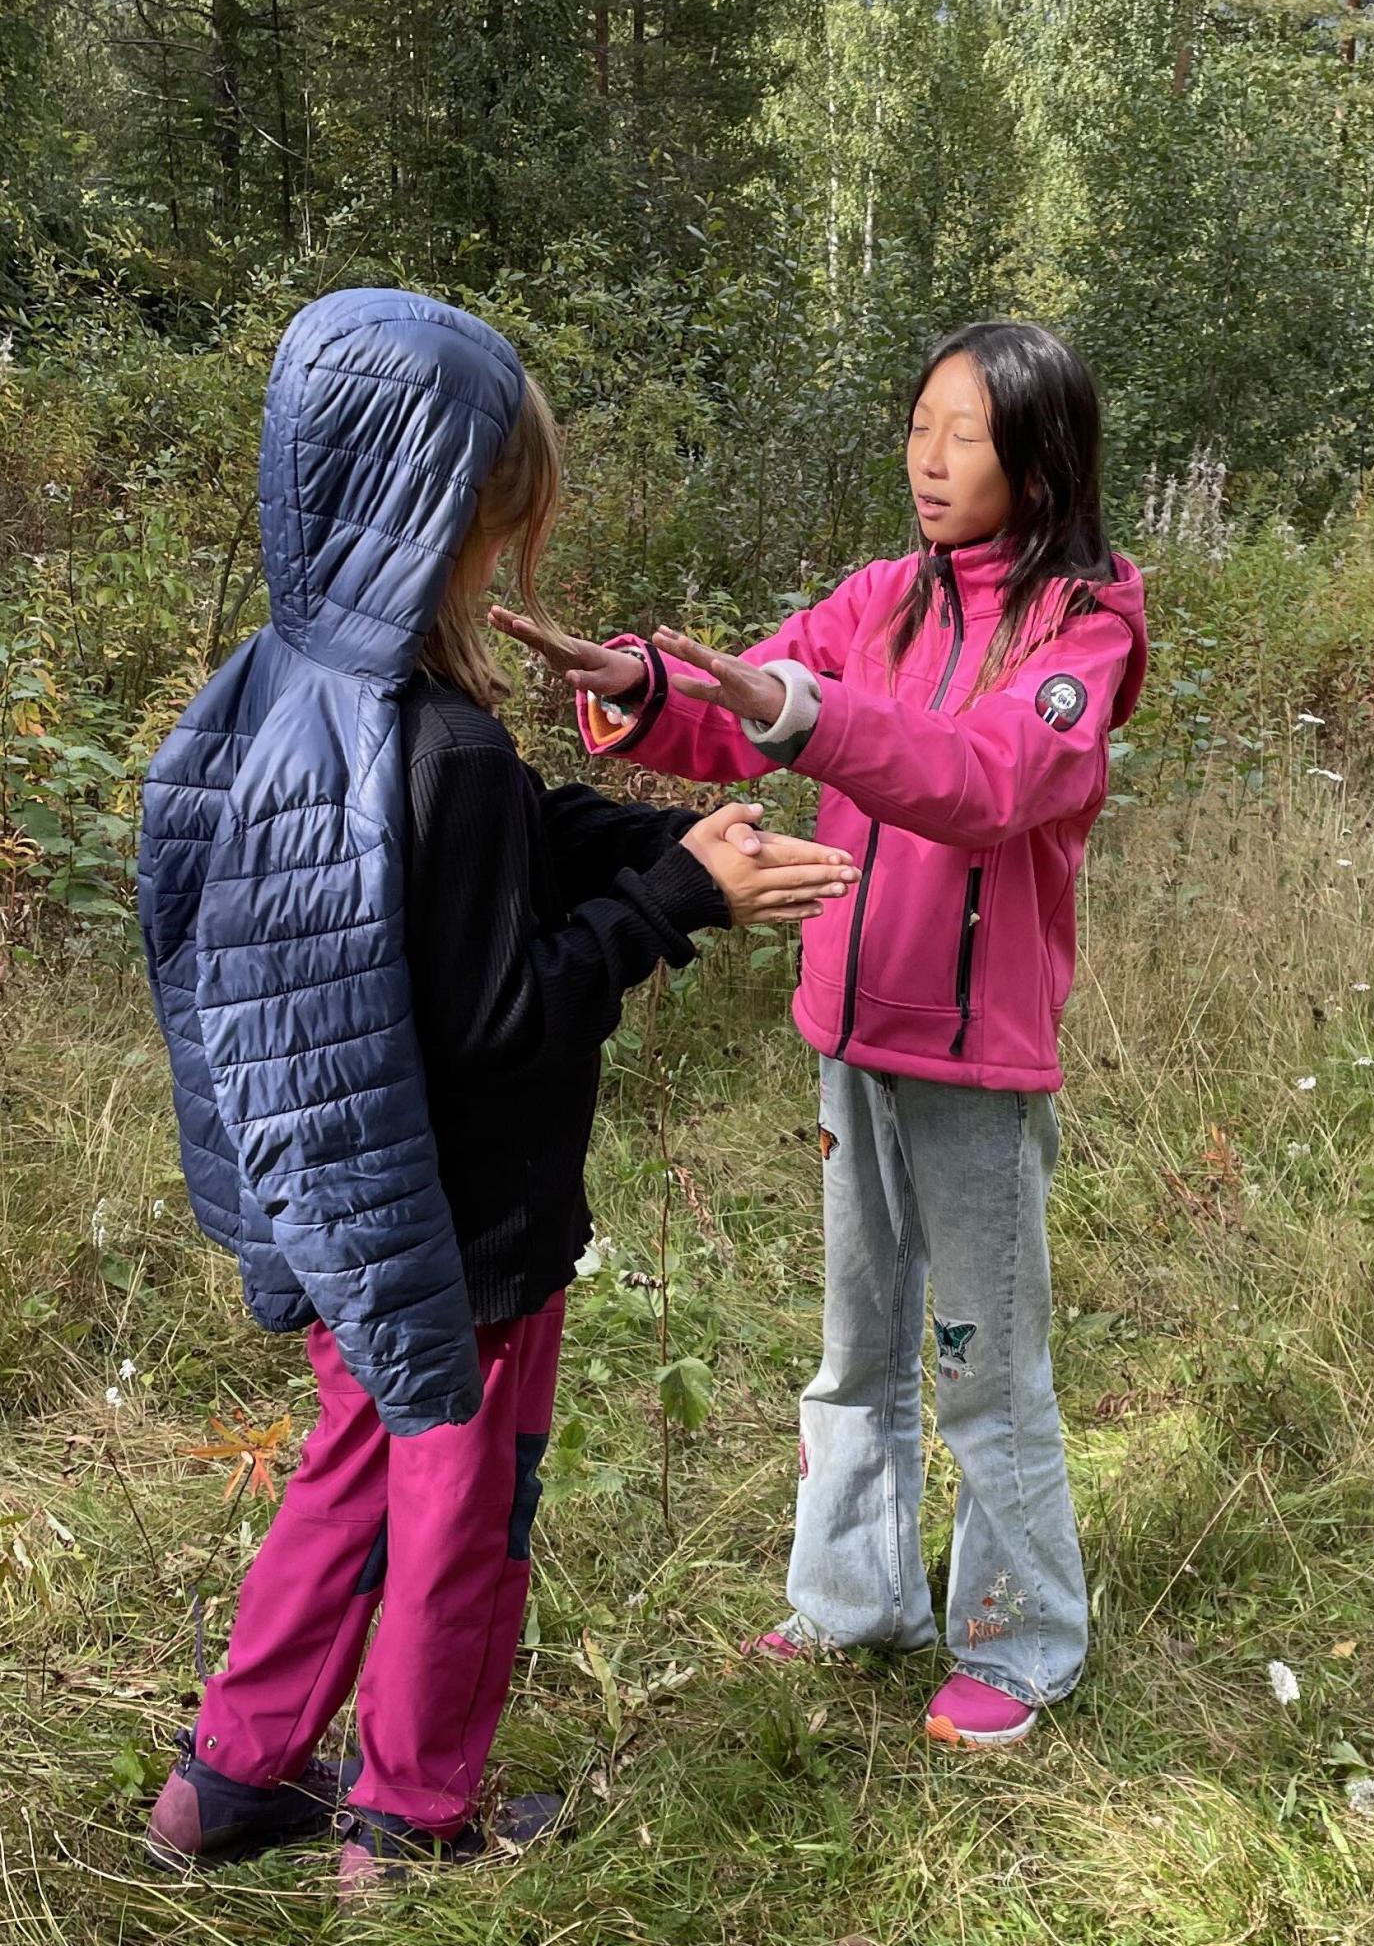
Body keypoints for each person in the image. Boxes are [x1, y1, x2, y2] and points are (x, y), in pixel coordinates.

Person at [136, 289, 856, 1884]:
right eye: (495, 528)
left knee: (344, 1483)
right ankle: (410, 1823)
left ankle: (232, 1779)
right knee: (460, 1518)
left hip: (353, 1210)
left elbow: (499, 855)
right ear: (431, 514)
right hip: (469, 1237)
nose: (498, 564)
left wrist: (642, 845)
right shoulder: (439, 748)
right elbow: (504, 1017)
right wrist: (676, 905)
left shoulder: (294, 688)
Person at [493, 320, 1148, 1750]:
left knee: (987, 1363)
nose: (929, 455)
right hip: (851, 1035)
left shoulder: (1084, 629)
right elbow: (746, 707)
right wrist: (637, 685)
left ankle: (1020, 1641)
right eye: (920, 422)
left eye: (965, 432)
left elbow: (987, 782)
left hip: (976, 1064)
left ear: (1042, 458)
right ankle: (856, 1599)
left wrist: (805, 712)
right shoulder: (880, 601)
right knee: (856, 1348)